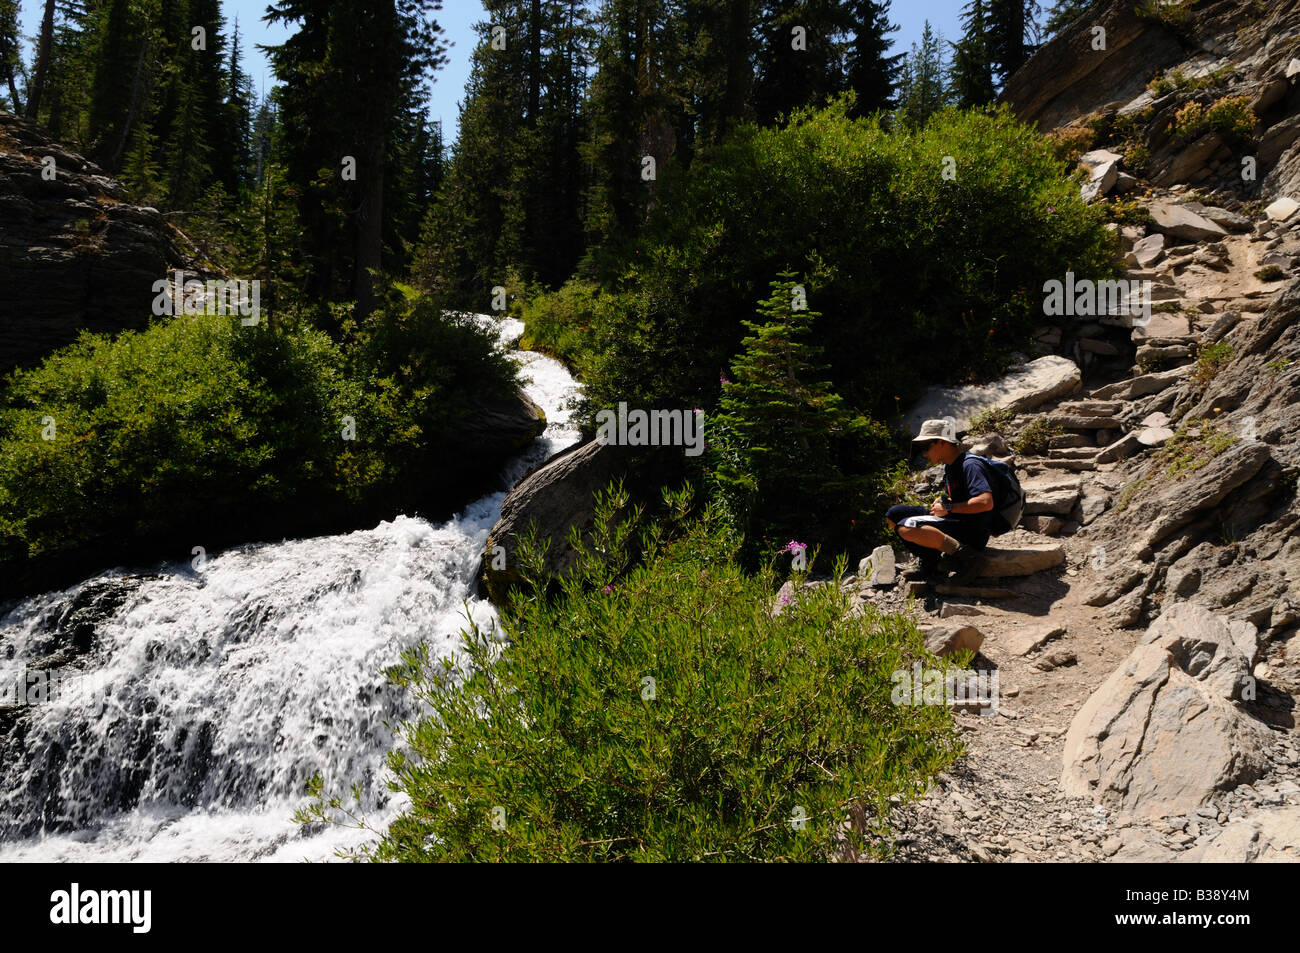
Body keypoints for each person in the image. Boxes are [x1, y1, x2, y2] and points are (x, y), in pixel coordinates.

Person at [885, 418, 994, 581]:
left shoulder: (970, 465)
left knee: (906, 526)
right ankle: (931, 563)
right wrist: (943, 500)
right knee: (894, 514)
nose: (924, 453)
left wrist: (949, 508)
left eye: (926, 447)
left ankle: (968, 559)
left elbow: (986, 502)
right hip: (955, 520)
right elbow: (957, 496)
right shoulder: (951, 465)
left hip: (971, 530)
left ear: (942, 442)